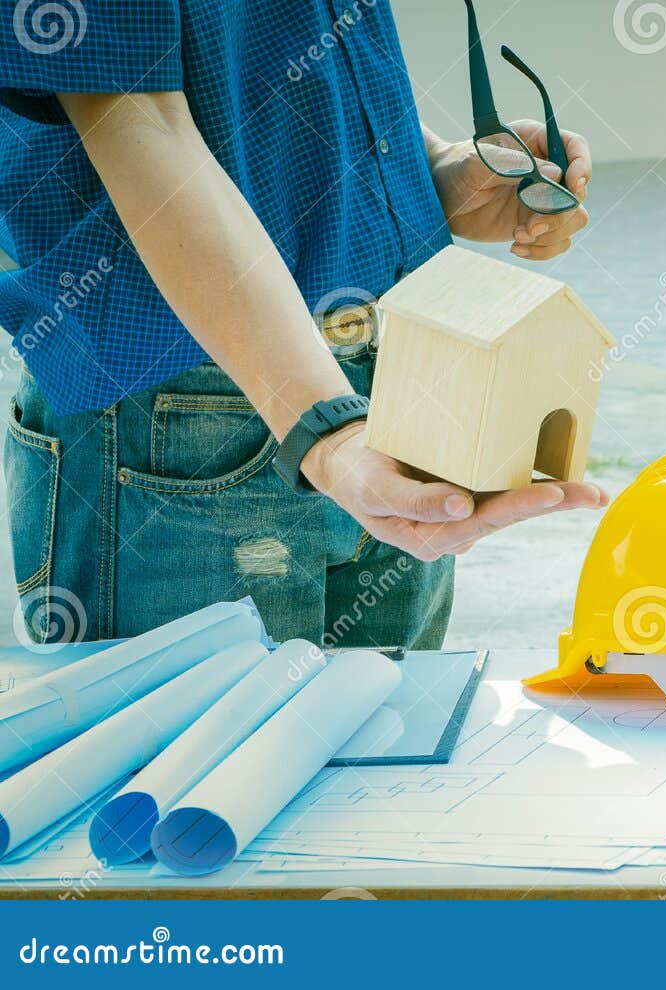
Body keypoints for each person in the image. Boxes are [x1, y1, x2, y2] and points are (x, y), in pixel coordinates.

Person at [0, 2, 604, 649]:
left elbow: (295, 49)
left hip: (382, 388)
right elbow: (138, 120)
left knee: (390, 736)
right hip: (183, 414)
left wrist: (428, 176)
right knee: (202, 751)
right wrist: (324, 426)